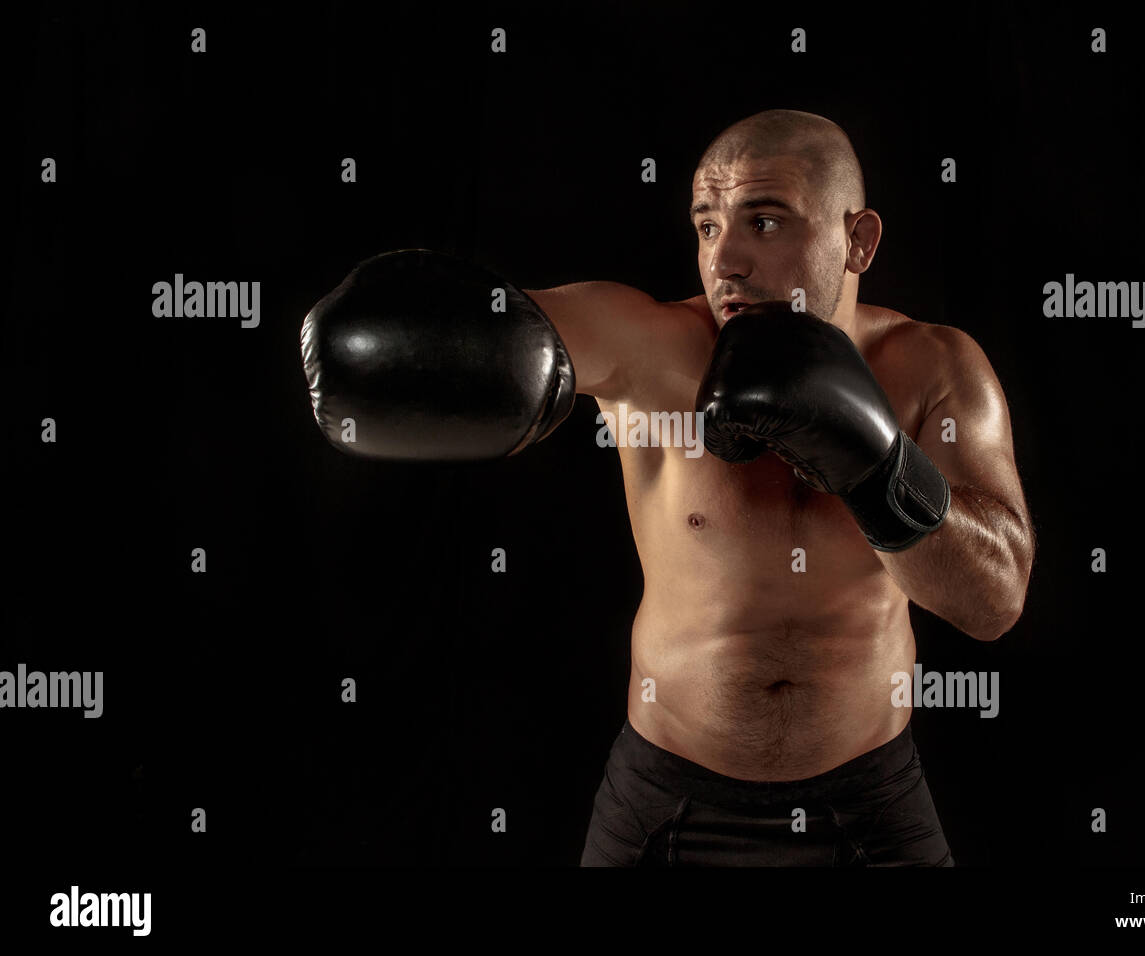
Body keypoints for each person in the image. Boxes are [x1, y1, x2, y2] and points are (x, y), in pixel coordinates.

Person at [300, 109, 1035, 866]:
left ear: (859, 241)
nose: (726, 262)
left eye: (766, 222)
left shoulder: (934, 369)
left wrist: (877, 465)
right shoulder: (653, 352)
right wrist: (452, 339)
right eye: (708, 225)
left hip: (871, 803)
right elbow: (523, 324)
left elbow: (995, 602)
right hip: (666, 796)